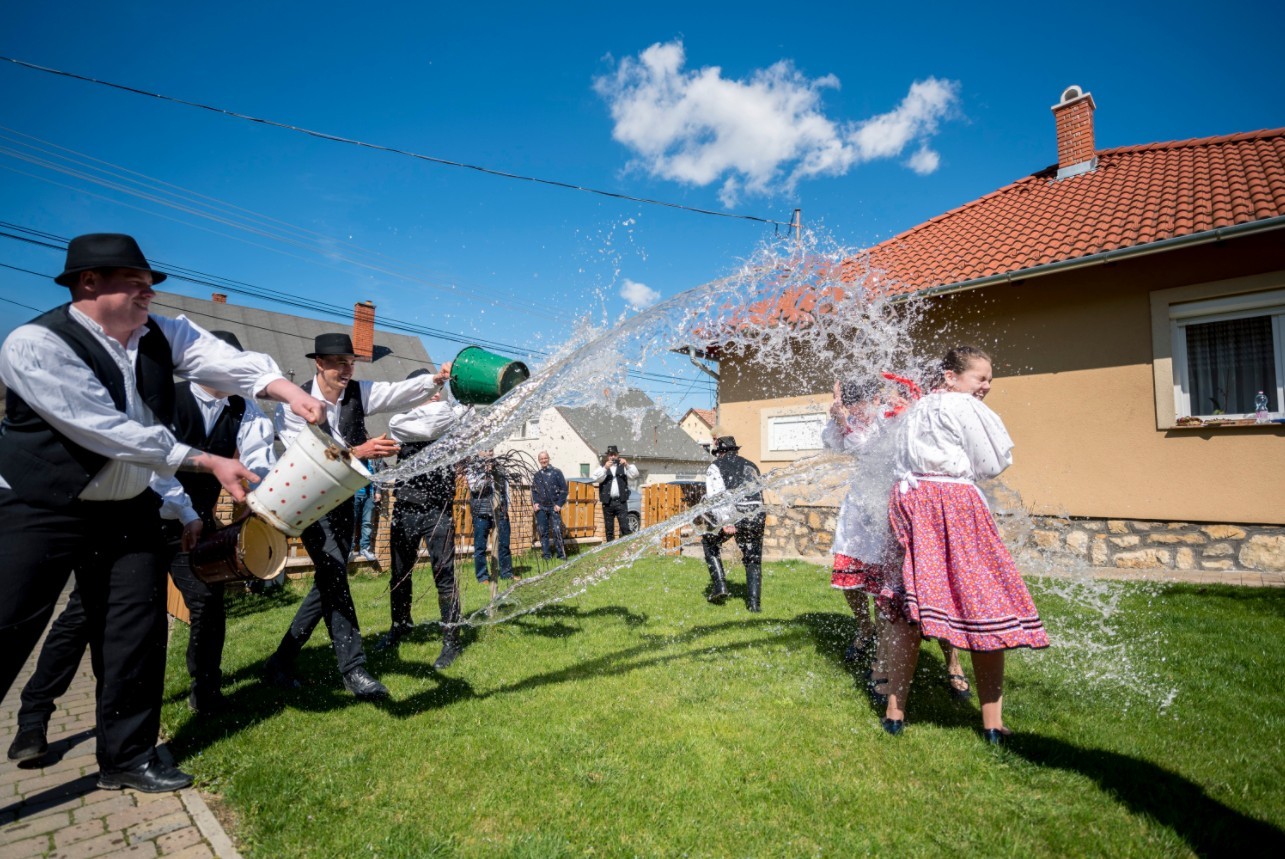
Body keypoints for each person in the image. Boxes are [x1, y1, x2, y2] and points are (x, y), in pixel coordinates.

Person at [0, 233, 325, 792]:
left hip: (125, 508)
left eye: (150, 284)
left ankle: (126, 759)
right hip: (41, 504)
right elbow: (104, 428)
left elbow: (225, 359)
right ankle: (34, 716)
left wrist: (283, 391)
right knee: (10, 623)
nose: (148, 292)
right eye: (135, 282)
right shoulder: (36, 344)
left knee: (135, 630)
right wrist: (204, 461)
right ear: (88, 283)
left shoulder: (159, 333)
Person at [880, 346, 1050, 742]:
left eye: (989, 380)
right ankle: (992, 724)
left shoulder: (914, 410)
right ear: (952, 377)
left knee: (909, 607)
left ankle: (895, 714)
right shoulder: (962, 406)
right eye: (981, 378)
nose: (986, 387)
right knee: (983, 602)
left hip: (908, 503)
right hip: (952, 505)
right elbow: (993, 464)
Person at [264, 333, 441, 700]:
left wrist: (436, 381)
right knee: (333, 578)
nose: (348, 369)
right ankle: (354, 669)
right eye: (340, 362)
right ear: (320, 364)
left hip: (344, 499)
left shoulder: (359, 392)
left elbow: (396, 393)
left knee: (329, 580)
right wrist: (361, 450)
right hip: (308, 501)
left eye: (351, 362)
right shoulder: (293, 404)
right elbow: (309, 457)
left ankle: (280, 661)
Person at [824, 376, 972, 703]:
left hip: (905, 510)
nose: (855, 410)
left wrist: (845, 420)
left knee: (927, 587)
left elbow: (871, 446)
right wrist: (838, 420)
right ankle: (869, 634)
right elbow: (837, 445)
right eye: (849, 404)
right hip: (862, 513)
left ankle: (953, 662)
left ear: (875, 399)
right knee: (858, 584)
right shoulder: (847, 421)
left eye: (859, 403)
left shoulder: (894, 417)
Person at [379, 367, 467, 669]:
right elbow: (405, 426)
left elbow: (437, 423)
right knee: (399, 573)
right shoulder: (400, 421)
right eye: (428, 390)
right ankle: (399, 625)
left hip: (437, 509)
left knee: (444, 575)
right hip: (405, 507)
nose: (436, 393)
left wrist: (427, 409)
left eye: (436, 389)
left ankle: (451, 639)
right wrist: (419, 410)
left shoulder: (447, 417)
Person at [700, 436, 766, 612]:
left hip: (735, 514)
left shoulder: (716, 466)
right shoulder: (752, 465)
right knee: (753, 558)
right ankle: (754, 606)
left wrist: (726, 520)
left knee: (709, 542)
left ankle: (720, 587)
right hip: (757, 514)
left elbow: (717, 496)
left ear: (720, 452)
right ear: (735, 450)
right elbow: (758, 495)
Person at [467, 450, 515, 602]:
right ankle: (482, 576)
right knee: (480, 546)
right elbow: (475, 487)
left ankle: (506, 572)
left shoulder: (499, 467)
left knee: (504, 543)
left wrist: (506, 507)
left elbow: (505, 489)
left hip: (500, 511)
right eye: (486, 449)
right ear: (480, 451)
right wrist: (486, 475)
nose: (489, 452)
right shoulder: (473, 468)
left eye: (491, 450)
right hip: (482, 511)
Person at [589, 445, 638, 542]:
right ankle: (610, 551)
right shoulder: (602, 467)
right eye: (610, 455)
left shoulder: (624, 467)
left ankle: (627, 548)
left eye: (614, 455)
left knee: (625, 527)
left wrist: (627, 465)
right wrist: (605, 469)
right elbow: (595, 478)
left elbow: (635, 475)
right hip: (608, 503)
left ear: (618, 455)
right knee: (609, 529)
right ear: (608, 456)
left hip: (621, 502)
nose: (612, 457)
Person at [532, 450, 568, 560]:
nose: (543, 460)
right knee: (543, 532)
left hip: (554, 507)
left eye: (545, 458)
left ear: (549, 459)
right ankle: (546, 555)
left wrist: (559, 504)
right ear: (539, 461)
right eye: (541, 459)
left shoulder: (557, 472)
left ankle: (561, 555)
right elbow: (534, 491)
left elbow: (564, 490)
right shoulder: (537, 475)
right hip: (541, 508)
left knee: (557, 531)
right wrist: (535, 503)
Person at [350, 459, 381, 562]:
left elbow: (380, 474)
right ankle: (349, 550)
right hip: (354, 492)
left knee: (367, 523)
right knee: (352, 522)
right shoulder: (356, 451)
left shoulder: (376, 456)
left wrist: (378, 491)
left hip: (370, 494)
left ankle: (365, 549)